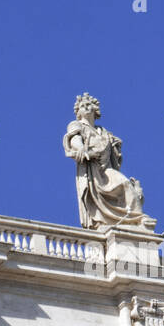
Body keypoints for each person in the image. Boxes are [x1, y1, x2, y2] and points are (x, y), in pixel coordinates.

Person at [62, 93, 145, 228]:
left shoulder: (104, 132)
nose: (87, 107)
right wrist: (82, 148)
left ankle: (138, 219)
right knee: (102, 198)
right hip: (92, 170)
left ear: (95, 110)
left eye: (89, 105)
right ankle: (102, 221)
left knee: (125, 184)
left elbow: (114, 157)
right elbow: (74, 139)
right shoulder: (77, 125)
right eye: (83, 106)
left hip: (106, 170)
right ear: (79, 112)